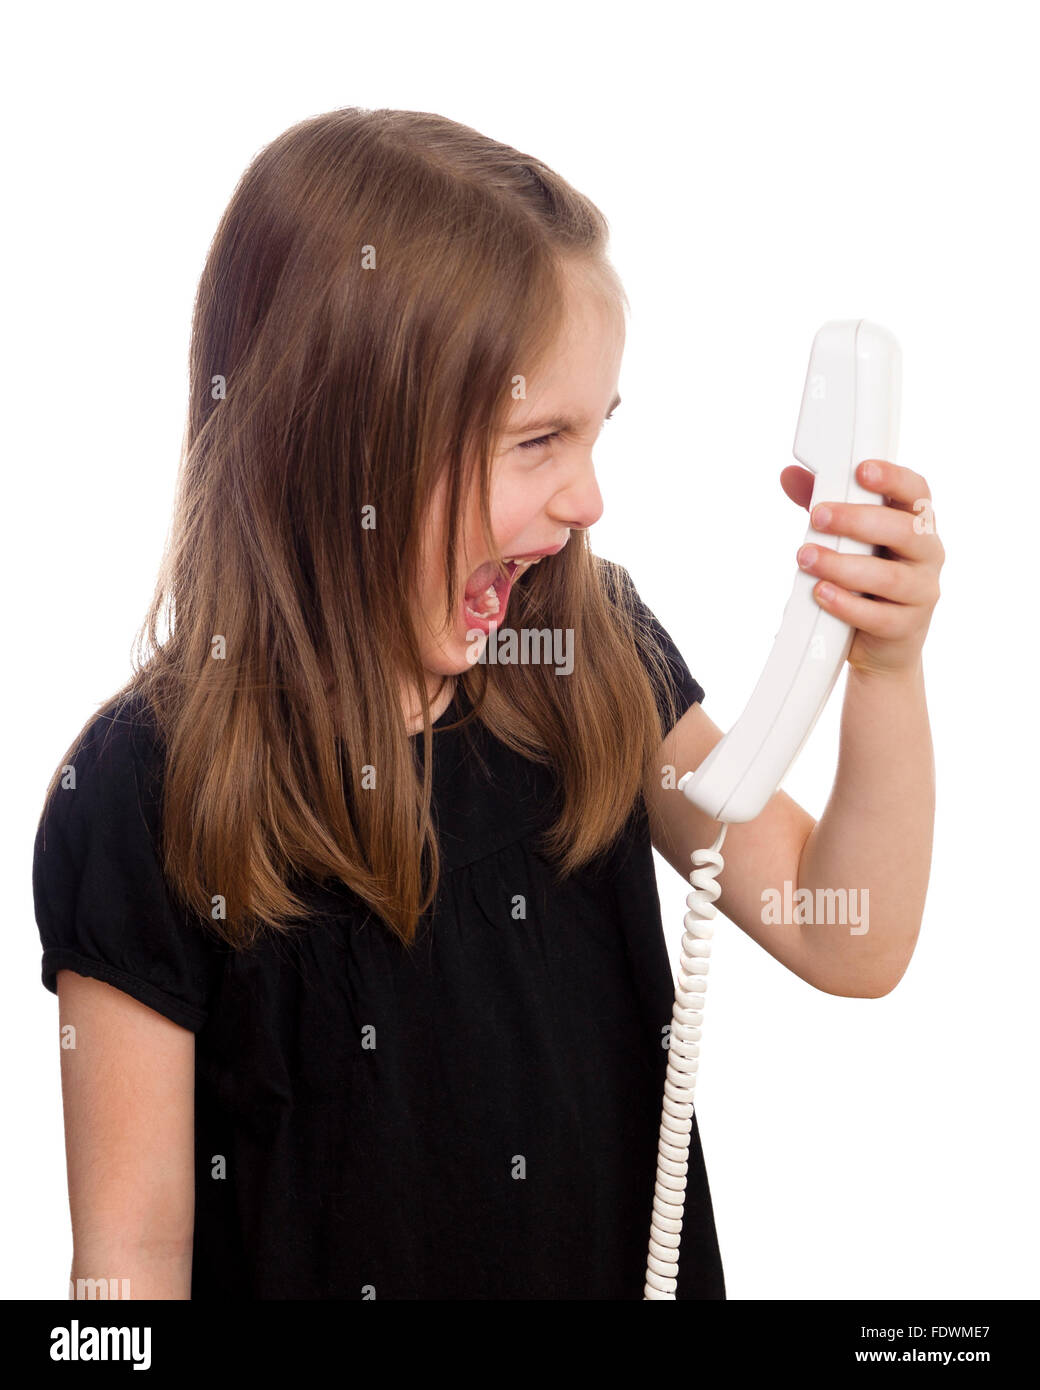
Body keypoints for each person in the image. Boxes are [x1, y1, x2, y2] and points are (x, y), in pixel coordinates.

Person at [32, 107, 942, 1301]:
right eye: (537, 440)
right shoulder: (144, 790)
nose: (588, 495)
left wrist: (876, 663)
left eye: (596, 429)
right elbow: (130, 1266)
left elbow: (849, 934)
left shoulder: (587, 655)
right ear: (341, 445)